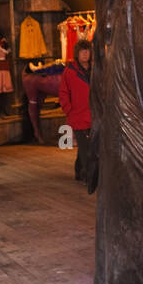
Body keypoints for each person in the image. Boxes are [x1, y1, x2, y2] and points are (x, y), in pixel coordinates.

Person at [59, 40, 93, 182]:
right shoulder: (70, 71)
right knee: (85, 148)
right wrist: (68, 109)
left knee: (88, 146)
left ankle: (79, 171)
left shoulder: (95, 69)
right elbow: (63, 92)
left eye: (87, 51)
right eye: (82, 51)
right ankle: (89, 176)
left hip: (93, 114)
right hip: (77, 115)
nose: (85, 54)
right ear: (77, 54)